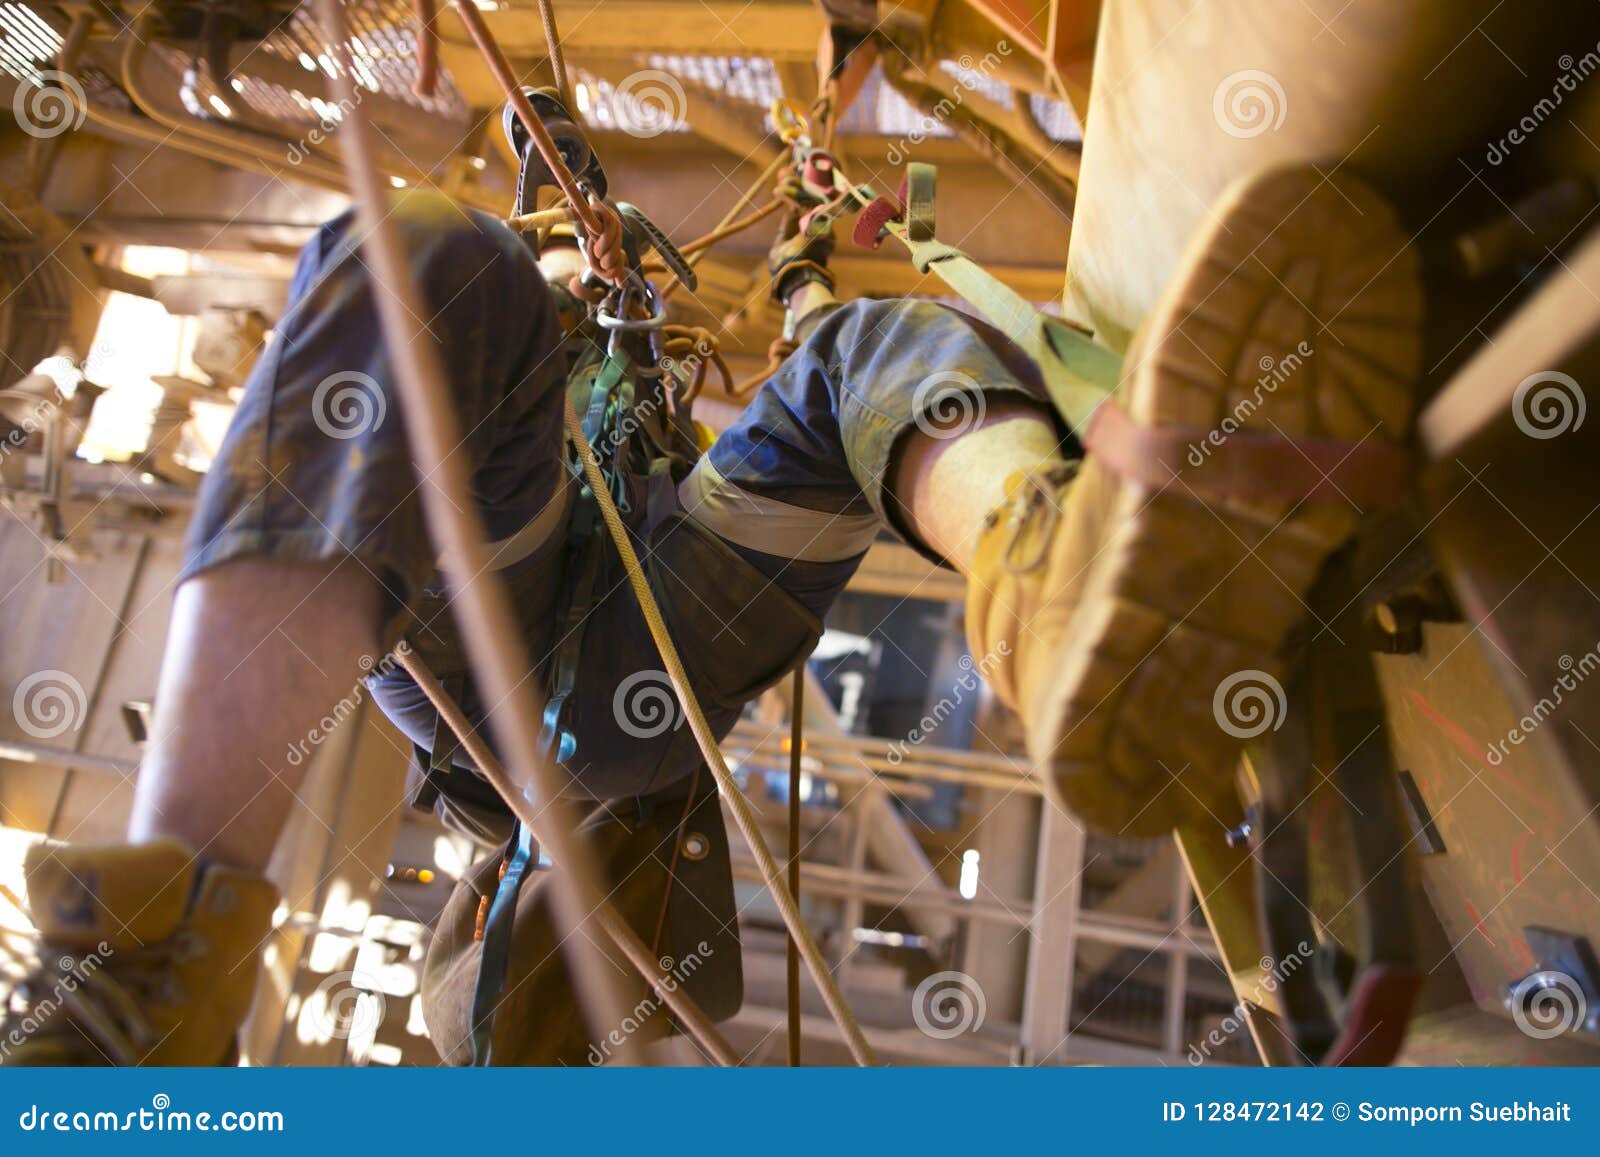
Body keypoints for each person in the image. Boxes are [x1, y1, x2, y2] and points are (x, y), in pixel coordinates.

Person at [2, 120, 1421, 1062]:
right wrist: (557, 246)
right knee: (428, 255)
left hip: (636, 645)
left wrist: (577, 234)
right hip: (536, 724)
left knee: (855, 357)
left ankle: (1042, 590)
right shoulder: (517, 346)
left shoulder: (561, 377)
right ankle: (144, 975)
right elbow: (485, 333)